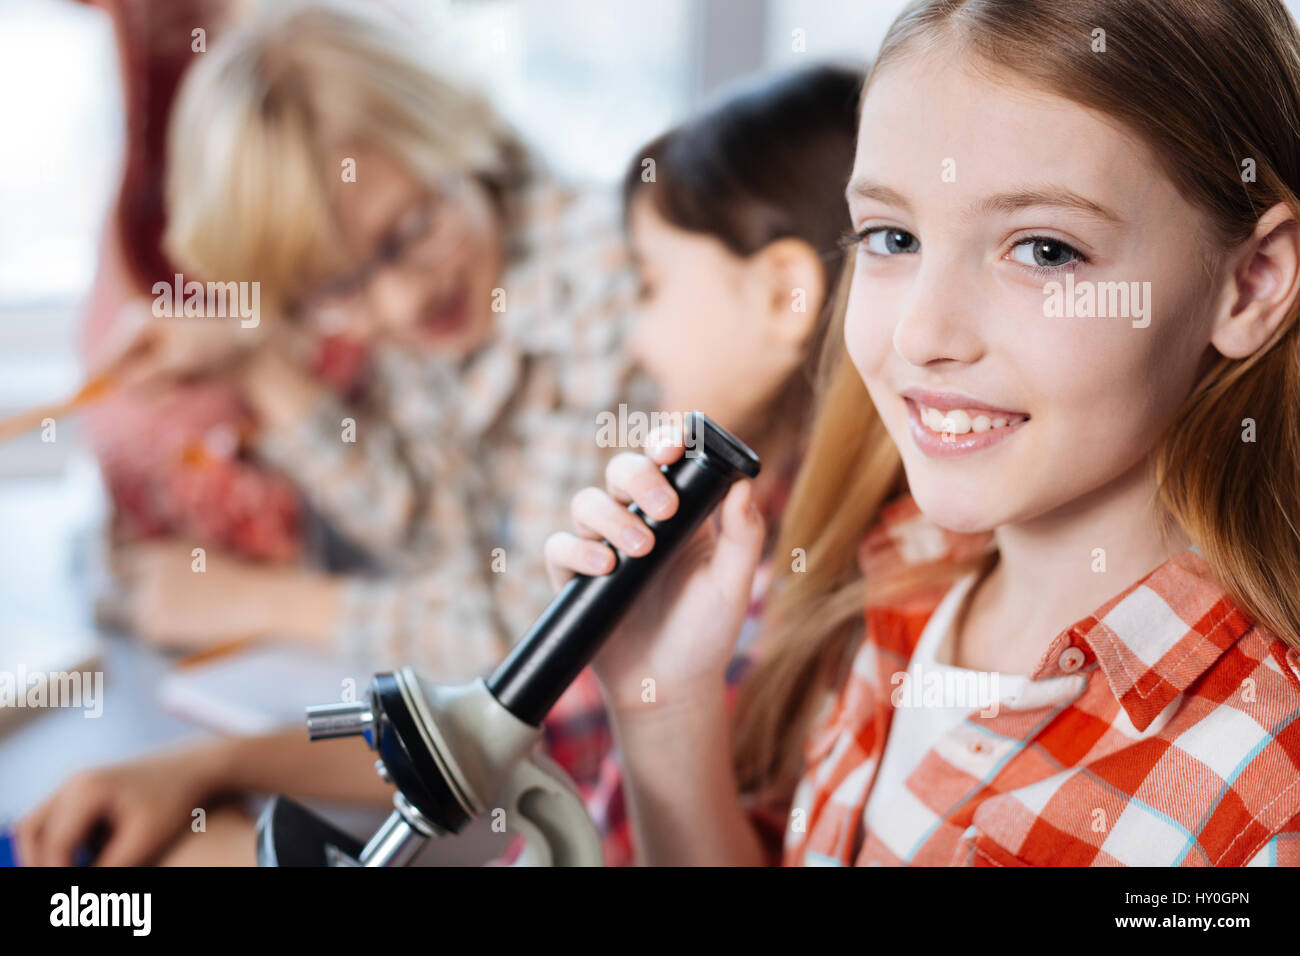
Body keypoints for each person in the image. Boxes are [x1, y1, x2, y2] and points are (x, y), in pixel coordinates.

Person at [544, 0, 1300, 866]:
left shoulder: (1266, 798)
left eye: (1045, 251)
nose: (922, 335)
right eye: (892, 236)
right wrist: (665, 706)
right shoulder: (885, 583)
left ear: (1251, 282)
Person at [15, 0, 649, 866]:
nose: (397, 304)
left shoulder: (601, 283)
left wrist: (254, 601)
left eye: (409, 232)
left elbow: (525, 643)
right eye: (337, 290)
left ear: (448, 127)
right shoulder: (441, 292)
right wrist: (257, 369)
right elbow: (423, 524)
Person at [539, 64, 863, 865]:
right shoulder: (752, 511)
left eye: (651, 283)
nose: (639, 338)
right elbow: (542, 735)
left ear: (783, 295)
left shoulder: (802, 589)